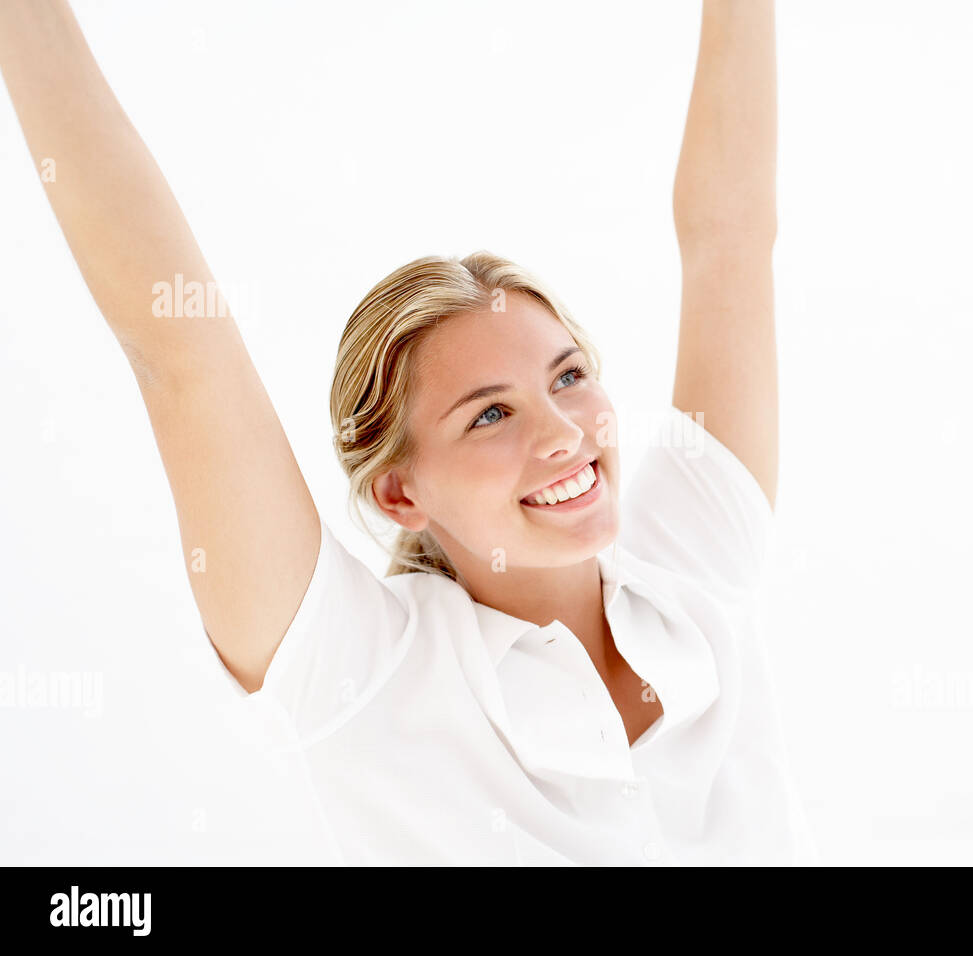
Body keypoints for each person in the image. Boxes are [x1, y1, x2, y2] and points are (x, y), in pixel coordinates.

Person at [0, 0, 819, 865]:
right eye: (491, 414)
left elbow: (730, 239)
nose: (564, 432)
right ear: (399, 491)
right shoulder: (367, 673)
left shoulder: (692, 556)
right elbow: (180, 354)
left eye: (569, 376)